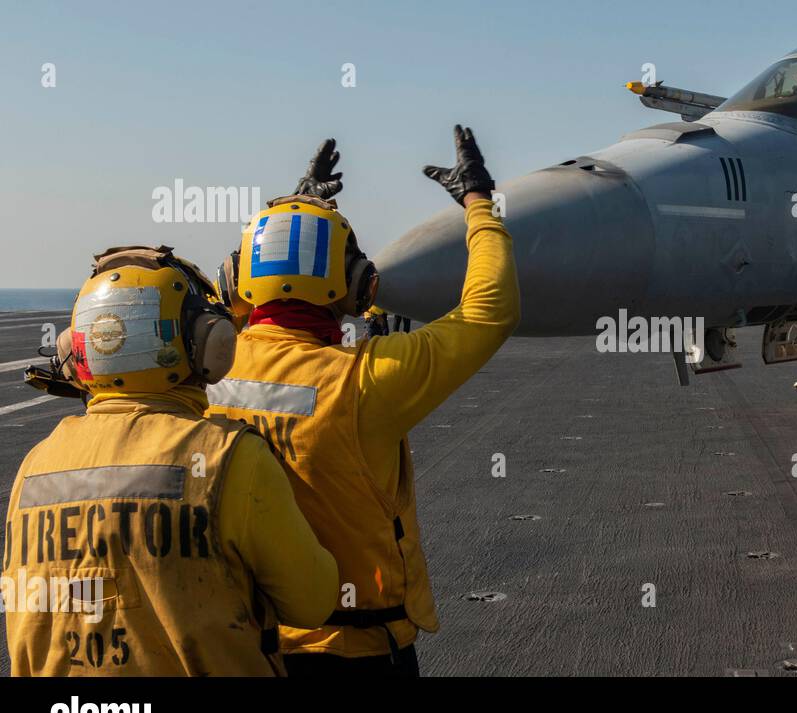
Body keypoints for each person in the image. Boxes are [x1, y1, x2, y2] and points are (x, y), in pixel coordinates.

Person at [209, 129, 519, 676]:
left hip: (244, 649)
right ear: (359, 286)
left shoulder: (203, 374)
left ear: (237, 277)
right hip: (356, 652)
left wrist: (293, 210)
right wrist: (479, 203)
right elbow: (489, 310)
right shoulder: (368, 380)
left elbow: (225, 304)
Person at [4, 247, 337, 676]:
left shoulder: (35, 465)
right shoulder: (231, 458)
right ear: (210, 344)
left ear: (78, 350)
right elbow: (313, 602)